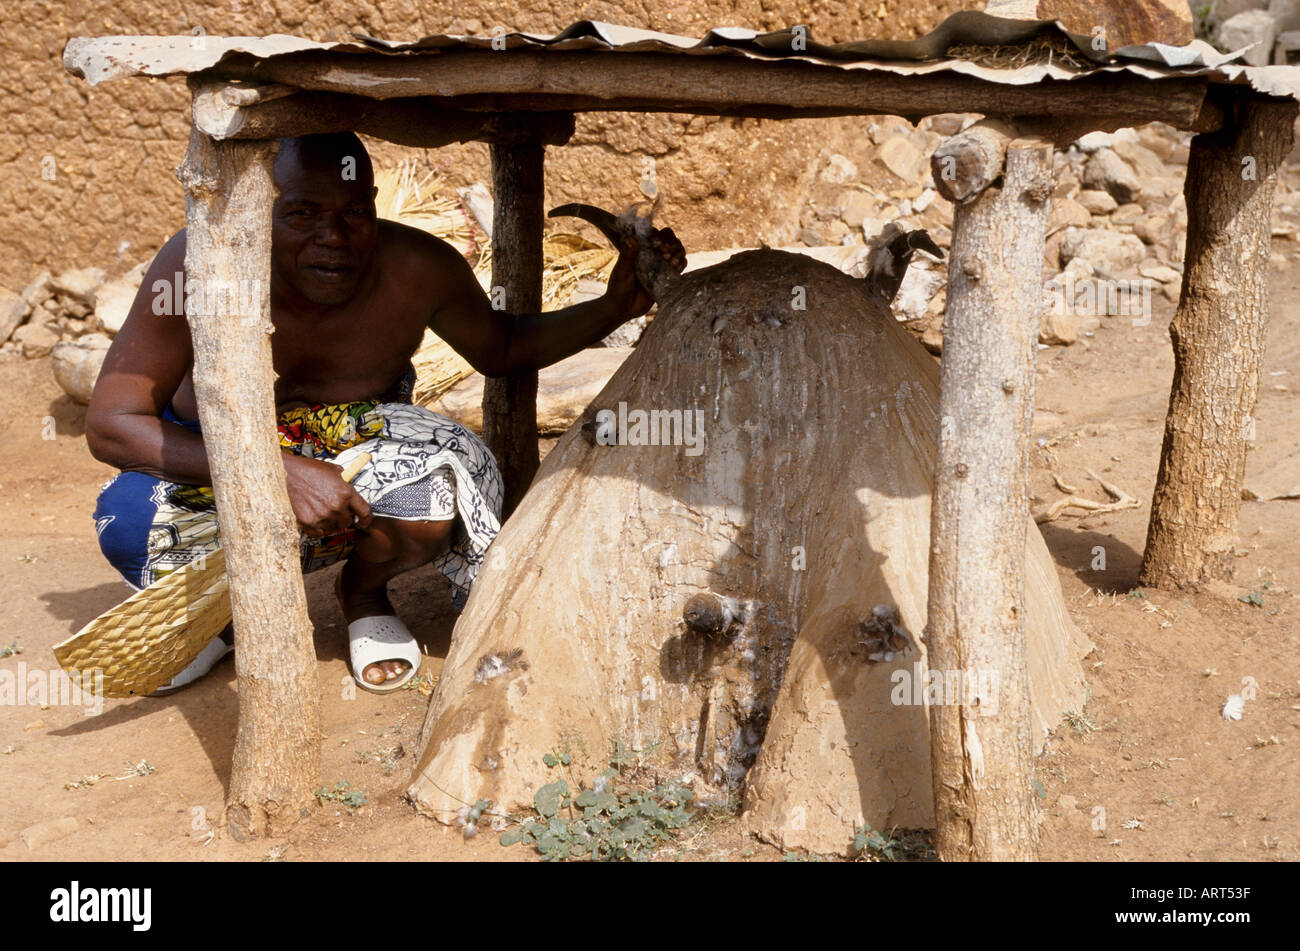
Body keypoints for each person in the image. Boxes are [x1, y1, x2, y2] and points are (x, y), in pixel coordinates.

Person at [85, 132, 683, 694]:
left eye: (354, 213)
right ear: (256, 210)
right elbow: (113, 423)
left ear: (374, 206)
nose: (333, 236)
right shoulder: (200, 263)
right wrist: (274, 469)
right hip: (218, 465)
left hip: (359, 466)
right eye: (302, 214)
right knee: (134, 525)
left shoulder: (417, 268)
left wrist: (612, 308)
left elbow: (500, 349)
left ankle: (365, 594)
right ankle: (224, 620)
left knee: (445, 482)